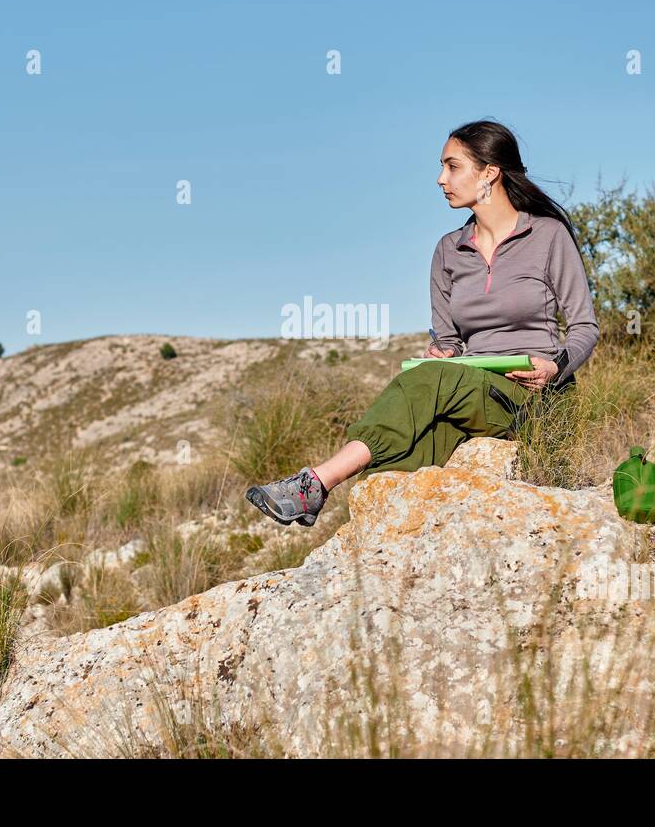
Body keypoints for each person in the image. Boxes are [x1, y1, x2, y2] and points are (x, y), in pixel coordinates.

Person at [245, 120, 600, 527]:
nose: (440, 179)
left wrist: (555, 366)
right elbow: (448, 340)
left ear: (489, 173)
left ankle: (315, 483)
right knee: (393, 463)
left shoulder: (547, 236)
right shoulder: (448, 250)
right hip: (471, 393)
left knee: (435, 377)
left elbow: (585, 327)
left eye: (452, 167)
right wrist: (444, 352)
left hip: (532, 397)